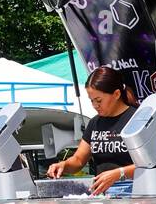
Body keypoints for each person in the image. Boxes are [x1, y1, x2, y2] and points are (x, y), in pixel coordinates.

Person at [46, 66, 139, 195]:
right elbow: (78, 160)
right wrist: (63, 165)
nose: (95, 105)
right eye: (92, 101)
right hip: (102, 194)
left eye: (99, 100)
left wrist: (119, 174)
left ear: (116, 94)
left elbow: (151, 164)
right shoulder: (95, 122)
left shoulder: (137, 120)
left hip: (135, 193)